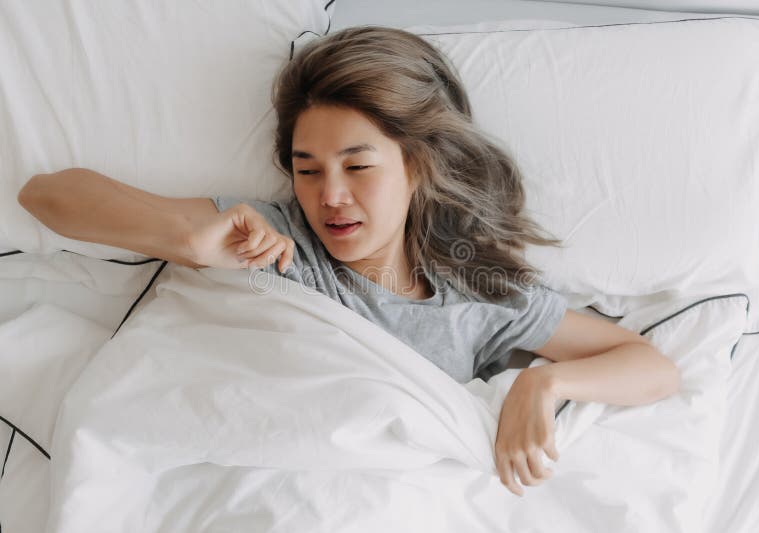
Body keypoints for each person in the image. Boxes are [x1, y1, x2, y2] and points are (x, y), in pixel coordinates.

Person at [17, 26, 680, 497]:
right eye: (307, 170)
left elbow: (653, 367)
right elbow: (45, 196)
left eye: (357, 166)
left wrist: (545, 385)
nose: (329, 197)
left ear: (416, 163)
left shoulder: (475, 291)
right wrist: (188, 240)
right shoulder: (270, 236)